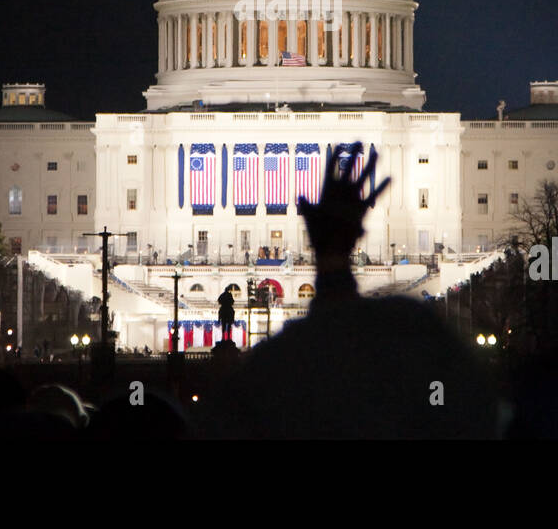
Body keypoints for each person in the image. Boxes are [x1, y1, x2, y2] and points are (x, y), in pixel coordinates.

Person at [207, 144, 504, 438]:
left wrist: (331, 251)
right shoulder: (410, 327)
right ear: (358, 233)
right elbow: (476, 408)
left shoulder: (276, 364)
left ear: (312, 235)